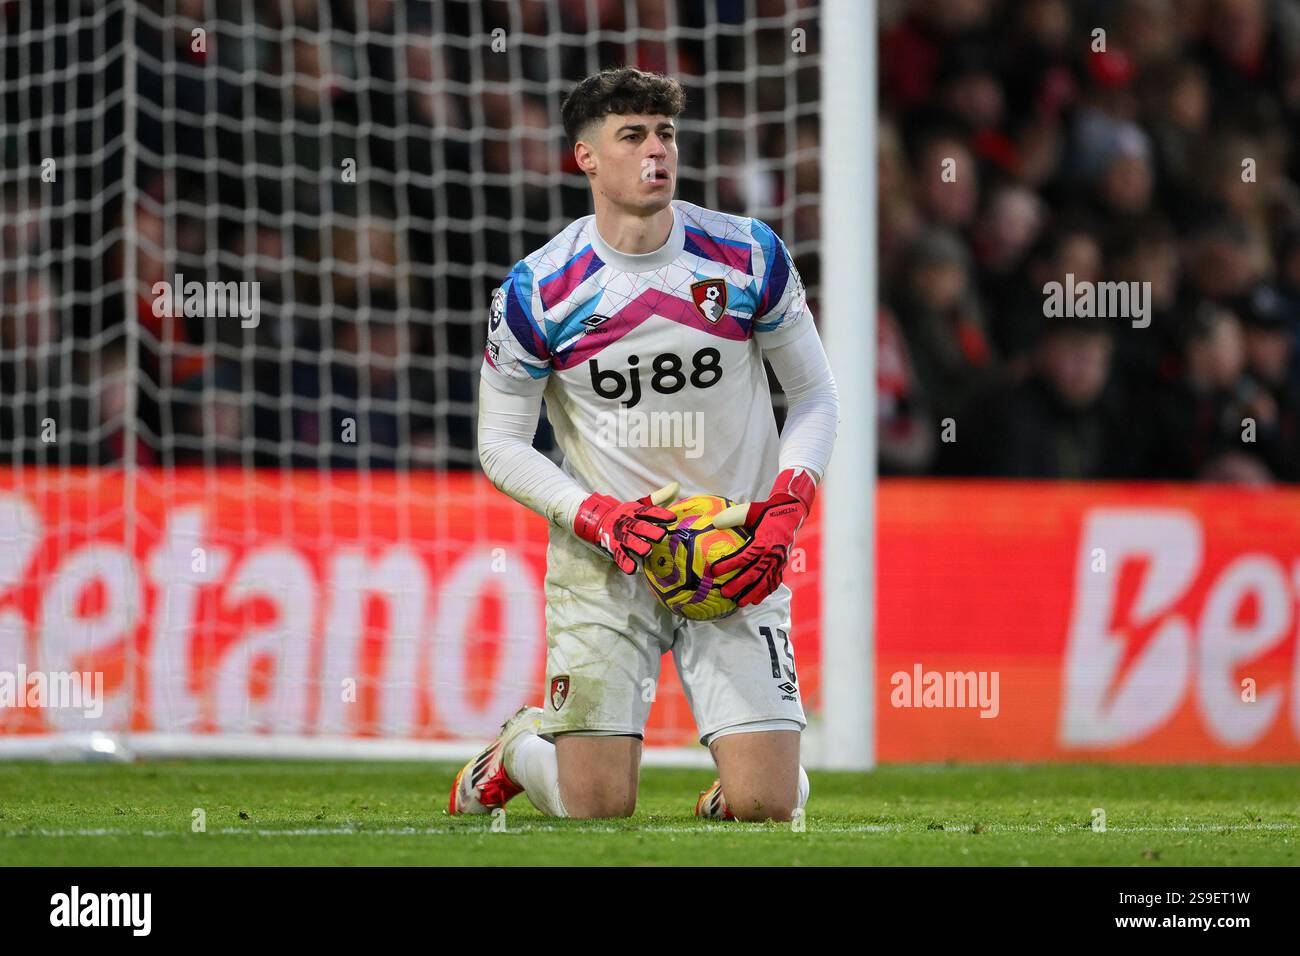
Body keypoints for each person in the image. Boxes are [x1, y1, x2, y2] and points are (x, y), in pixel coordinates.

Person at [452, 67, 838, 821]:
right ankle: (522, 748)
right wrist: (594, 515)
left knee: (768, 806)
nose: (656, 151)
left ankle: (758, 776)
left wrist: (788, 503)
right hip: (607, 561)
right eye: (632, 136)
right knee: (598, 809)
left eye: (665, 133)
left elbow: (817, 395)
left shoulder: (749, 256)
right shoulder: (538, 291)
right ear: (586, 157)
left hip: (731, 554)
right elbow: (499, 443)